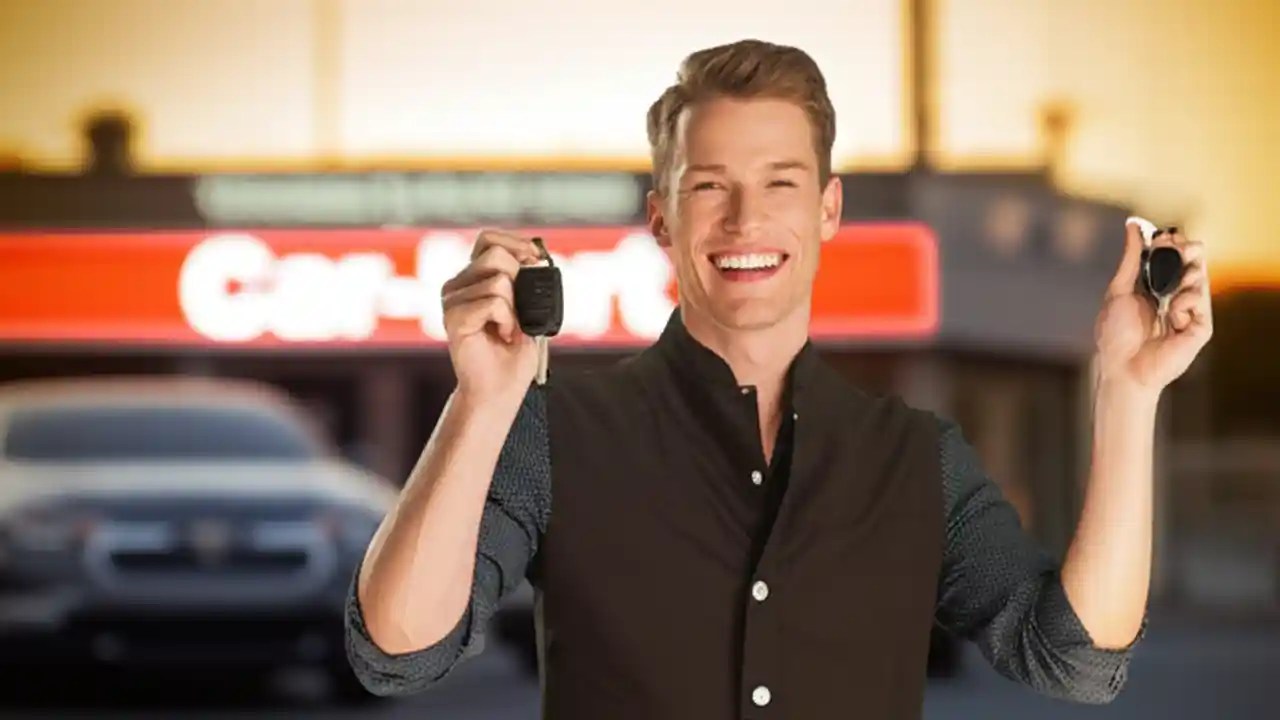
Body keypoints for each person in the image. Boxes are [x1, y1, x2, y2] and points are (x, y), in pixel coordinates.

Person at [344, 39, 1213, 718]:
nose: (746, 219)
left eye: (780, 183)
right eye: (710, 186)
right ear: (662, 217)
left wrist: (1128, 394)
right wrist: (478, 402)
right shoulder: (551, 435)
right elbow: (399, 652)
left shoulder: (920, 461)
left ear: (828, 209)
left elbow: (1075, 661)